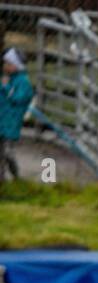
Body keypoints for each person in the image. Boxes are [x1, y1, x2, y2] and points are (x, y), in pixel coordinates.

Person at [1, 47, 34, 183]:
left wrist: (5, 87)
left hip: (10, 124)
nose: (5, 66)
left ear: (16, 66)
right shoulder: (9, 80)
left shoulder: (22, 82)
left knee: (8, 153)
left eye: (8, 63)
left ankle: (16, 178)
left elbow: (18, 98)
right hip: (3, 122)